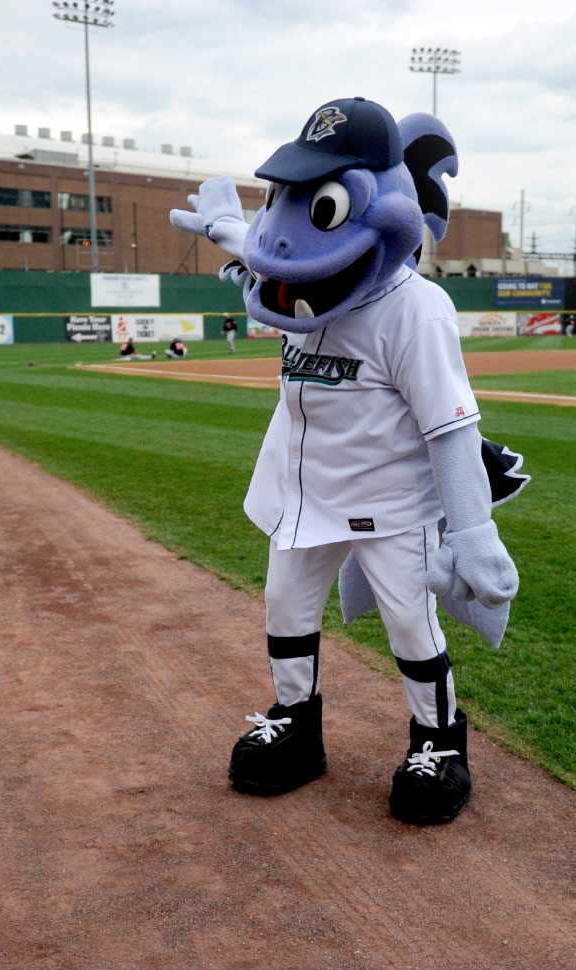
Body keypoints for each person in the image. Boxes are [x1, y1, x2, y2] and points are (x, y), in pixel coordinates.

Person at [171, 96, 520, 825]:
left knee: (412, 627)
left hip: (390, 507)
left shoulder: (415, 308)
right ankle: (296, 724)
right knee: (285, 610)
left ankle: (438, 742)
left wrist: (474, 533)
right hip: (302, 498)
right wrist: (227, 230)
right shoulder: (300, 285)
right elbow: (260, 259)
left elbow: (451, 429)